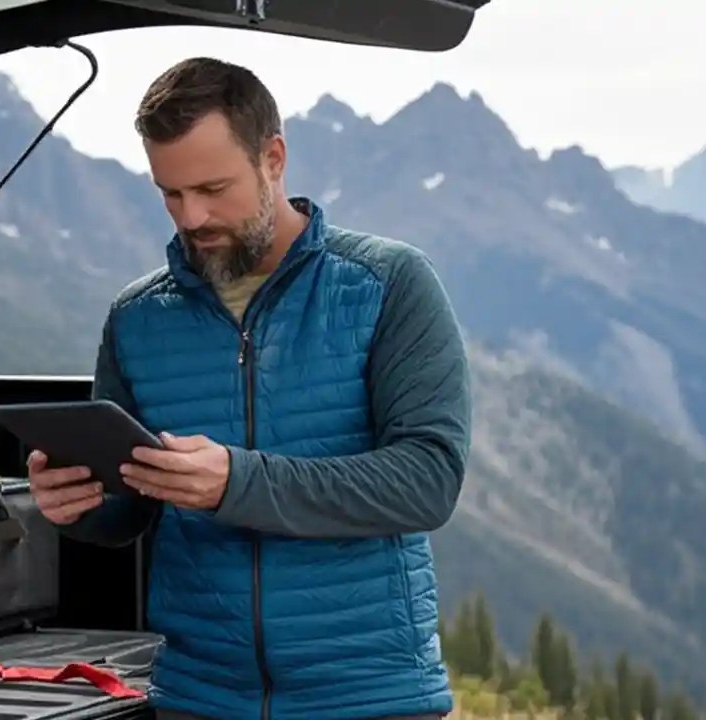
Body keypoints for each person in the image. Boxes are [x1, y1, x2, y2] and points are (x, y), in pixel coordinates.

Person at [26, 57, 472, 720]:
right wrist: (79, 504)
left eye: (213, 187)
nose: (192, 215)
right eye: (171, 194)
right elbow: (132, 510)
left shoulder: (389, 284)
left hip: (370, 697)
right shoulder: (138, 317)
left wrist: (237, 483)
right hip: (198, 698)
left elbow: (428, 480)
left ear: (274, 158)